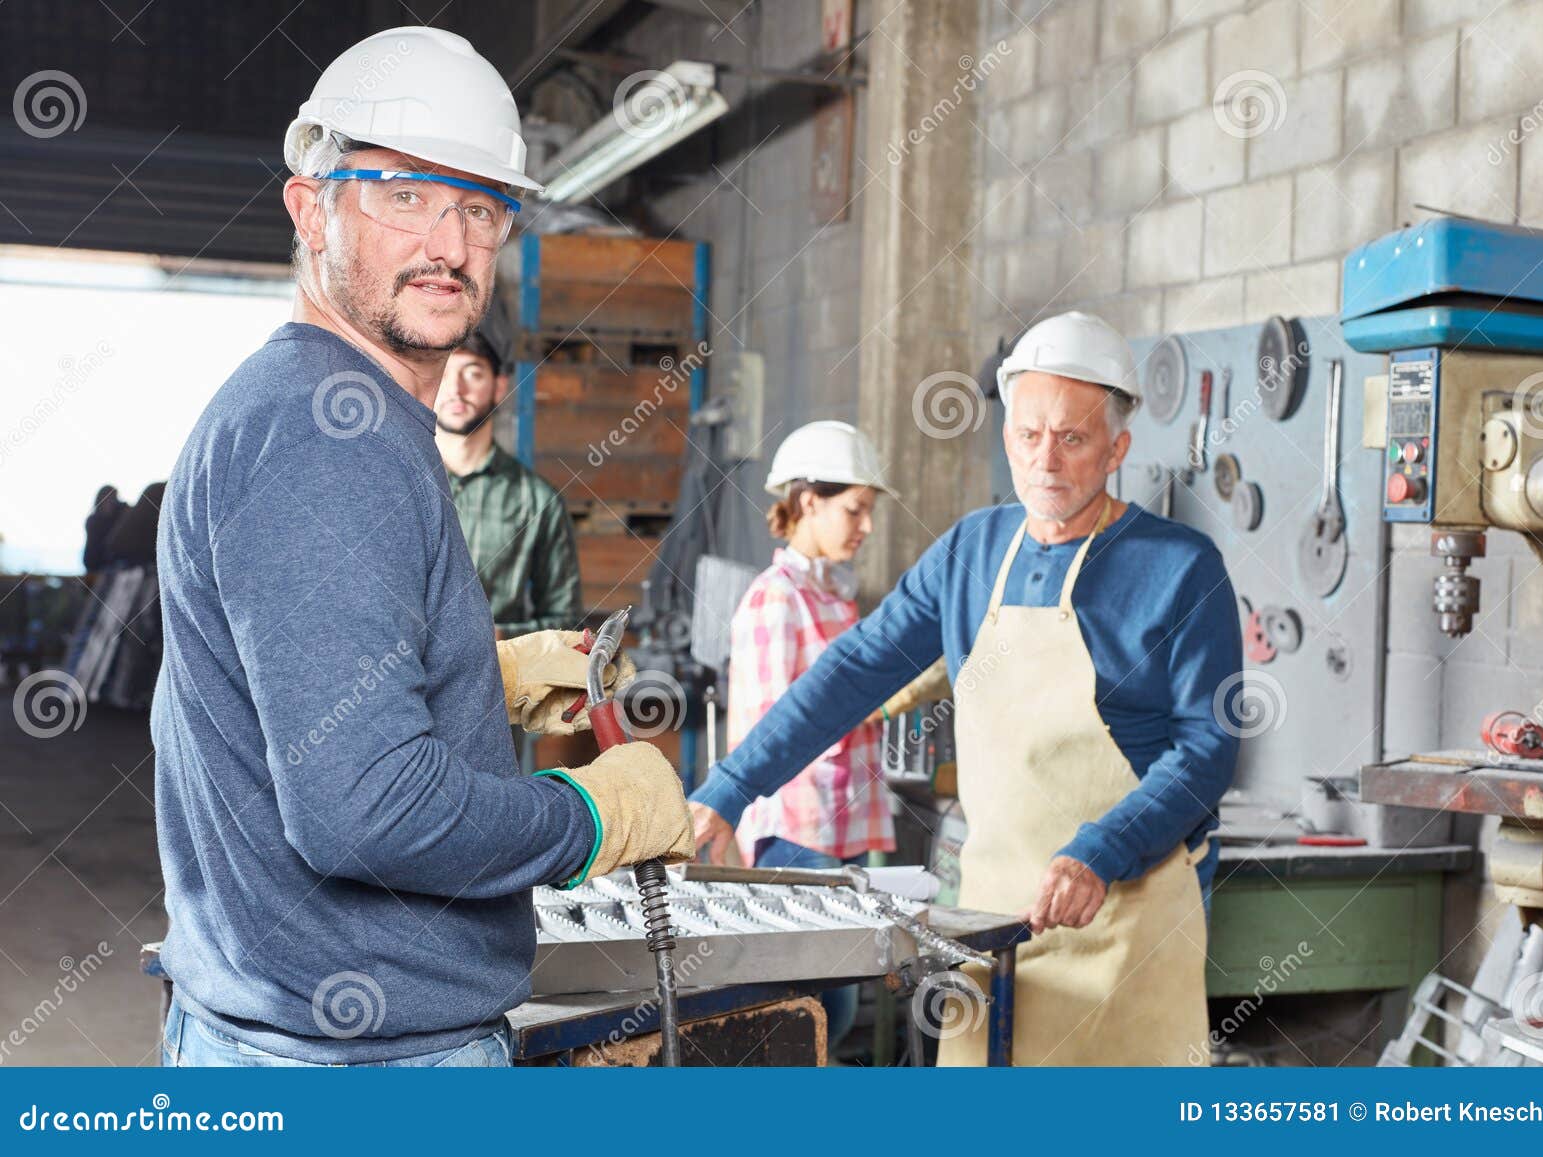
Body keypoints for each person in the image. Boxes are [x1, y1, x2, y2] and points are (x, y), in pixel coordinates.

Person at [151, 26, 692, 1069]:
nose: (449, 241)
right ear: (311, 210)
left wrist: (479, 681)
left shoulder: (318, 409)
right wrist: (589, 814)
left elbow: (283, 705)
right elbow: (363, 815)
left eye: (479, 206)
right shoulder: (326, 437)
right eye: (402, 195)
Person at [690, 311, 1242, 1066]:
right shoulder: (971, 552)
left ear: (1118, 447)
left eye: (1073, 438)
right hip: (991, 921)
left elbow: (1207, 748)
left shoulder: (1181, 567)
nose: (1045, 460)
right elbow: (854, 671)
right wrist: (727, 789)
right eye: (1026, 434)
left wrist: (1101, 850)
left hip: (1127, 920)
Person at [728, 421, 899, 1054]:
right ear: (808, 502)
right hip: (796, 834)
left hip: (840, 828)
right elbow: (781, 729)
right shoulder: (777, 599)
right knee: (807, 1020)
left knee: (838, 1011)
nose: (867, 526)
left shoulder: (835, 596)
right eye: (855, 509)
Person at [435, 330, 582, 639]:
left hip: (495, 678)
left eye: (472, 374)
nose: (455, 389)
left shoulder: (537, 500)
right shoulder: (396, 485)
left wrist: (496, 636)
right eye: (443, 373)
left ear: (498, 387)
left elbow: (566, 625)